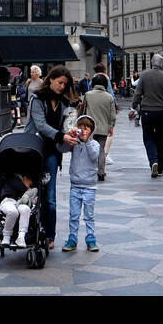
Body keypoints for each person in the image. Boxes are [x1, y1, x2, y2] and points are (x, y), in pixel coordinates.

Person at [28, 65, 78, 248]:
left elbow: (65, 126)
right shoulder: (37, 99)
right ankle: (30, 230)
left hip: (52, 152)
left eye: (65, 84)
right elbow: (40, 125)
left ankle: (50, 235)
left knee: (50, 196)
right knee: (31, 193)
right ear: (50, 80)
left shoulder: (64, 103)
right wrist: (61, 135)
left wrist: (71, 132)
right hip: (33, 150)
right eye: (60, 82)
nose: (62, 87)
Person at [130, 53, 163, 178]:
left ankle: (153, 161)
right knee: (161, 139)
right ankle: (160, 168)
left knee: (148, 138)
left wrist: (133, 107)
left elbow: (138, 94)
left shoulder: (144, 75)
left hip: (147, 111)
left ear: (151, 63)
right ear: (162, 64)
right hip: (161, 111)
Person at [62, 115, 101, 251]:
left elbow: (94, 156)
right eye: (81, 128)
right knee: (74, 215)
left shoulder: (95, 144)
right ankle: (72, 238)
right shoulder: (74, 143)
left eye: (86, 128)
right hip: (75, 185)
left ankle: (91, 238)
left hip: (90, 186)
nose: (83, 131)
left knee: (89, 215)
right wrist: (68, 136)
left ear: (91, 130)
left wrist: (87, 141)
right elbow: (62, 149)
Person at [82, 73, 117, 181]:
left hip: (89, 128)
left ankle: (89, 170)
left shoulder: (88, 95)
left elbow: (83, 110)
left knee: (88, 149)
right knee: (101, 150)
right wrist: (111, 126)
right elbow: (112, 115)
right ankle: (101, 172)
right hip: (103, 128)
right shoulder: (109, 97)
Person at [0, 172, 38, 247]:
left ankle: (21, 237)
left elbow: (32, 199)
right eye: (29, 184)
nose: (29, 187)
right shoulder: (13, 180)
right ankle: (6, 236)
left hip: (20, 203)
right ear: (25, 178)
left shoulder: (27, 189)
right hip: (8, 201)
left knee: (26, 209)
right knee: (13, 212)